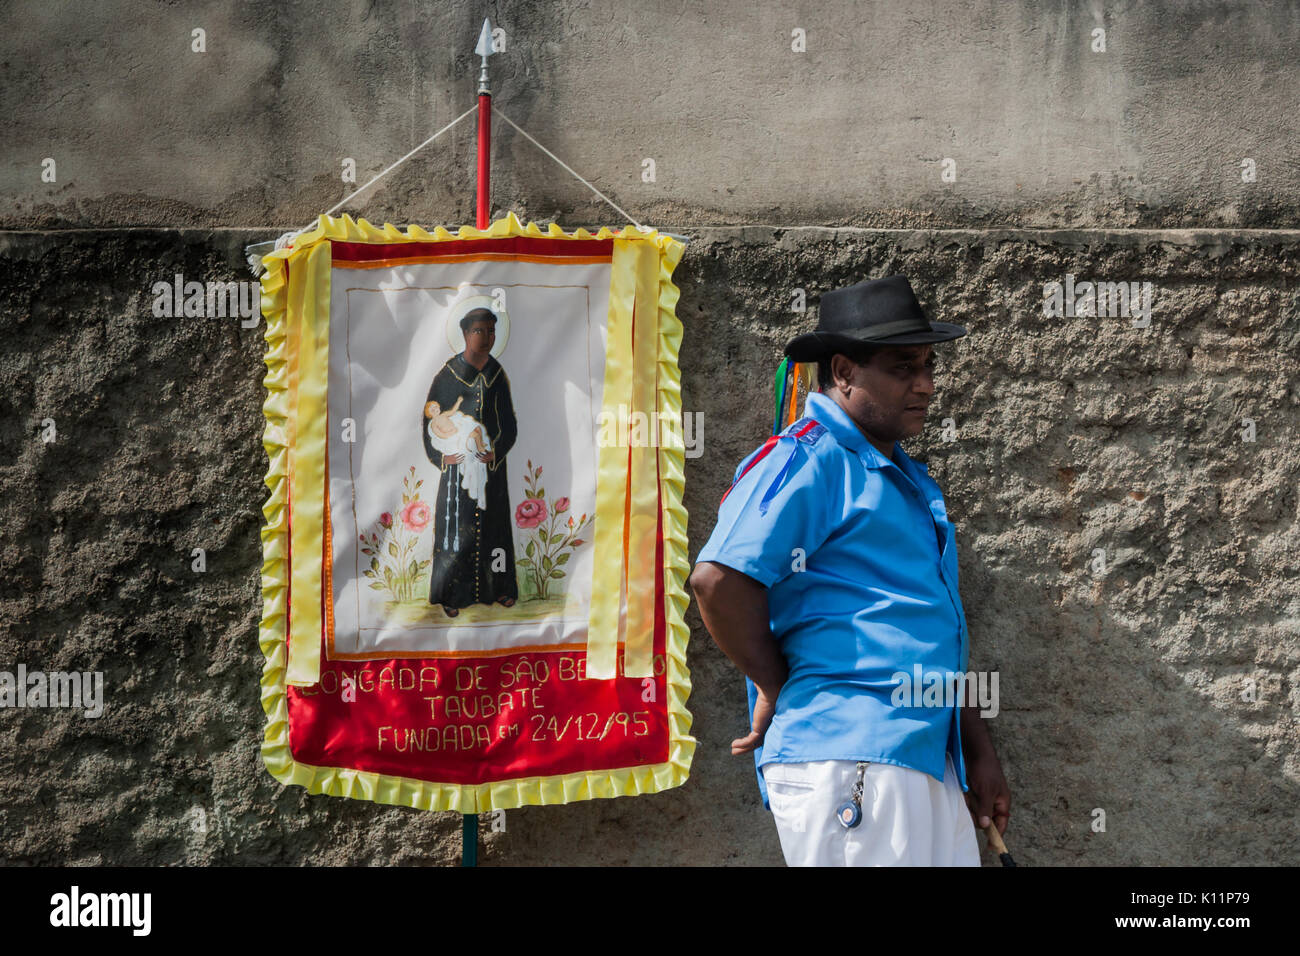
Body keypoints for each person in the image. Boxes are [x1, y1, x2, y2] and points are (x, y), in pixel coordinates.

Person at [690, 274, 1010, 866]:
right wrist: (772, 683)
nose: (926, 385)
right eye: (902, 367)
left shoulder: (901, 476)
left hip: (919, 755)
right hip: (853, 758)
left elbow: (925, 621)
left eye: (928, 367)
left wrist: (973, 744)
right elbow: (718, 580)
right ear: (843, 371)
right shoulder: (806, 458)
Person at [422, 307, 518, 617]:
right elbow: (427, 426)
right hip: (458, 469)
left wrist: (496, 452)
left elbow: (509, 424)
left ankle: (500, 588)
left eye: (491, 331)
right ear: (465, 334)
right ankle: (452, 593)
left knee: (495, 528)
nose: (486, 337)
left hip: (490, 469)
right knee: (456, 528)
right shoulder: (447, 374)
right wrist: (441, 457)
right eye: (479, 331)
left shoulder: (498, 375)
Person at [424, 396, 491, 510]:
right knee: (474, 435)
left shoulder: (444, 415)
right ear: (430, 414)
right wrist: (449, 435)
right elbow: (440, 434)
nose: (435, 409)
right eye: (432, 409)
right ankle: (478, 449)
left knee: (477, 430)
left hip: (459, 431)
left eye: (436, 407)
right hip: (454, 436)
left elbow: (453, 411)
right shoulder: (434, 423)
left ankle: (480, 447)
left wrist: (459, 401)